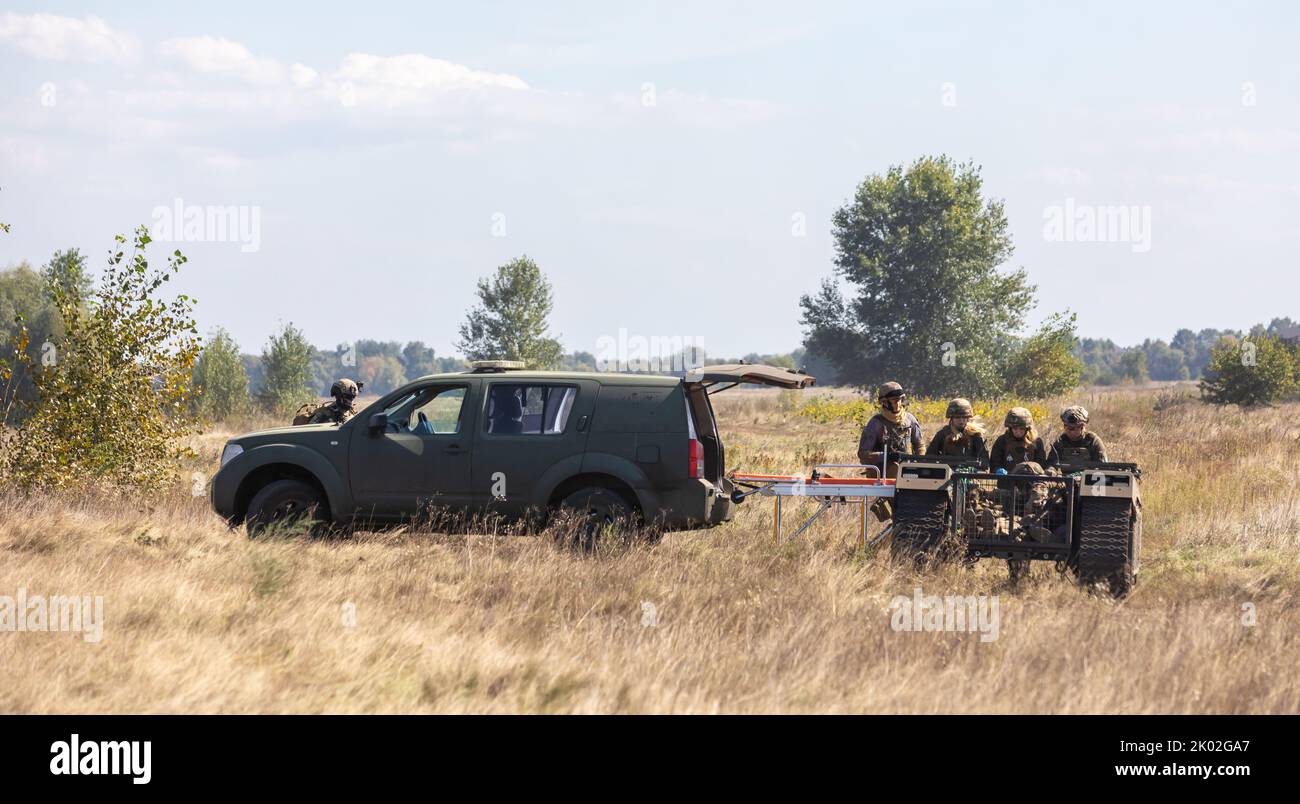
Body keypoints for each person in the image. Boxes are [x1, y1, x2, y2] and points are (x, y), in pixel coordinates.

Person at [857, 381, 923, 520]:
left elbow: (919, 445)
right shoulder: (876, 423)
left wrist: (919, 462)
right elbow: (863, 454)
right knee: (895, 469)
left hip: (909, 471)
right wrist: (887, 456)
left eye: (900, 399)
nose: (898, 403)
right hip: (883, 474)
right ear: (884, 402)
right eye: (894, 400)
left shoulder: (910, 420)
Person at [925, 397, 989, 468]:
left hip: (970, 474)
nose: (961, 421)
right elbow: (929, 458)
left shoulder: (975, 435)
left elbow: (984, 461)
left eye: (964, 417)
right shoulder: (943, 434)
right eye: (957, 417)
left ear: (968, 418)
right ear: (951, 418)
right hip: (947, 474)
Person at [988, 407, 1049, 473]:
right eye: (1015, 428)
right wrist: (998, 469)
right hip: (1007, 480)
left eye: (1022, 429)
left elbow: (1041, 464)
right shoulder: (1002, 441)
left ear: (1027, 429)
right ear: (1010, 428)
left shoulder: (1036, 442)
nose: (1018, 432)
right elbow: (995, 463)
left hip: (1032, 480)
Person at [1048, 405, 1107, 472]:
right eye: (1067, 427)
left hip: (1088, 480)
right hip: (1065, 480)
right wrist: (1051, 470)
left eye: (1073, 428)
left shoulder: (1093, 441)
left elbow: (1102, 467)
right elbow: (1051, 463)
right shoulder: (1061, 441)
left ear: (1082, 427)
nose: (1070, 431)